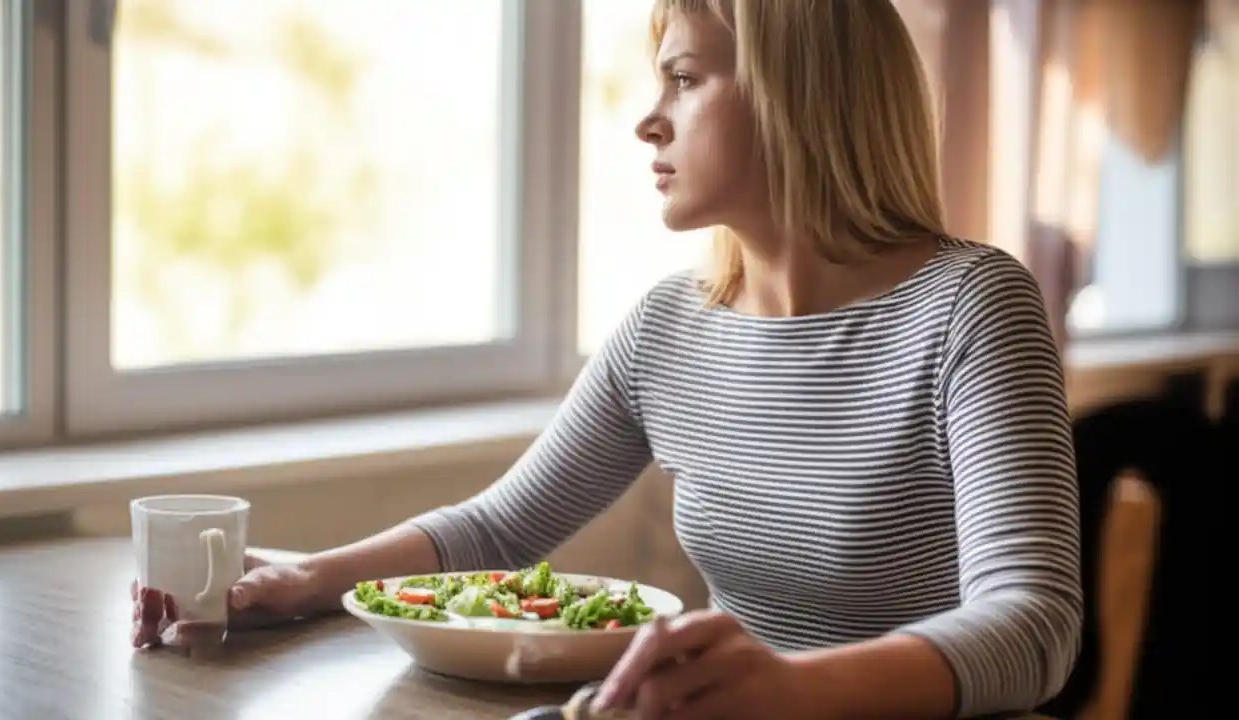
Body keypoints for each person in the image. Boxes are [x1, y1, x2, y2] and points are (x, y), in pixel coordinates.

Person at [131, 1, 1082, 717]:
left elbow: (1033, 626)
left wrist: (792, 690)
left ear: (801, 91)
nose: (648, 122)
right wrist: (305, 580)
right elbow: (497, 530)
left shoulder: (971, 308)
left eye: (685, 79)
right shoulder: (670, 325)